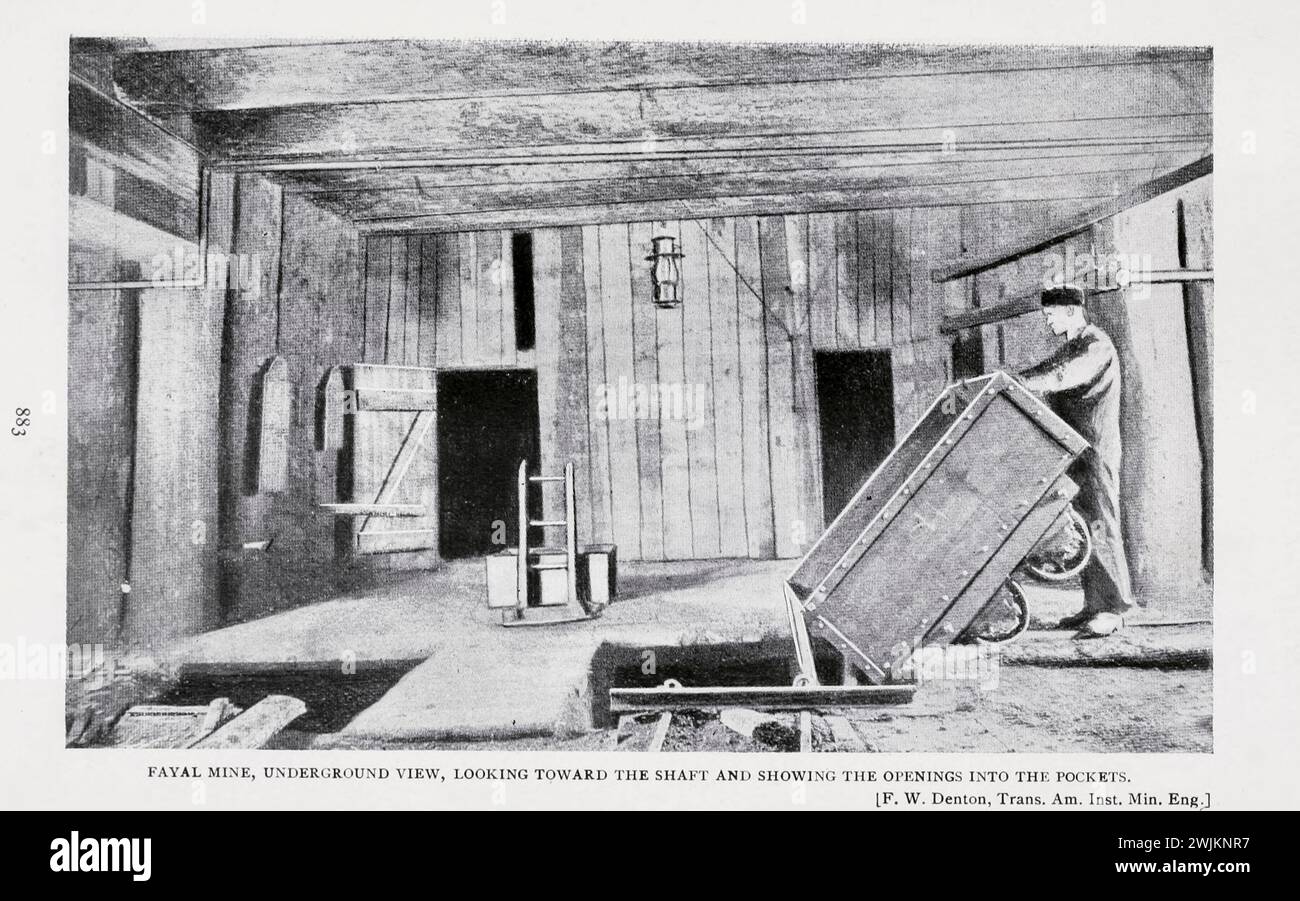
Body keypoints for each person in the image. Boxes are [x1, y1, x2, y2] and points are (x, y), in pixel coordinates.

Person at [1016, 284, 1135, 637]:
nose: (1047, 321)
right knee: (1084, 524)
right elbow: (1045, 369)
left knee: (1102, 522)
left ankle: (1115, 608)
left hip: (1096, 450)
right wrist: (1016, 379)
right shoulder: (1073, 346)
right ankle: (1094, 604)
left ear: (1070, 310)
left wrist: (1027, 383)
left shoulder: (1096, 345)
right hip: (1078, 451)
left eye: (1051, 314)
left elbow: (1061, 376)